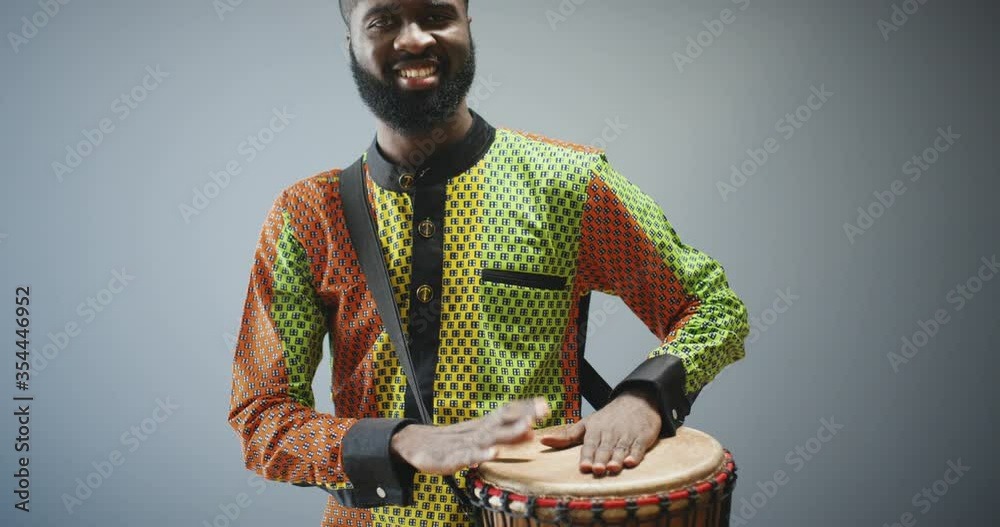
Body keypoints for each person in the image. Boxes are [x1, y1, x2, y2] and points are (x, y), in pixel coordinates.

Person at [227, 1, 750, 525]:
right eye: (383, 20)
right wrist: (398, 441)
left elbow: (714, 309)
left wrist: (645, 397)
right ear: (352, 44)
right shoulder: (305, 217)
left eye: (435, 15)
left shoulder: (568, 184)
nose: (414, 40)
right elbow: (261, 417)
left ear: (466, 28)